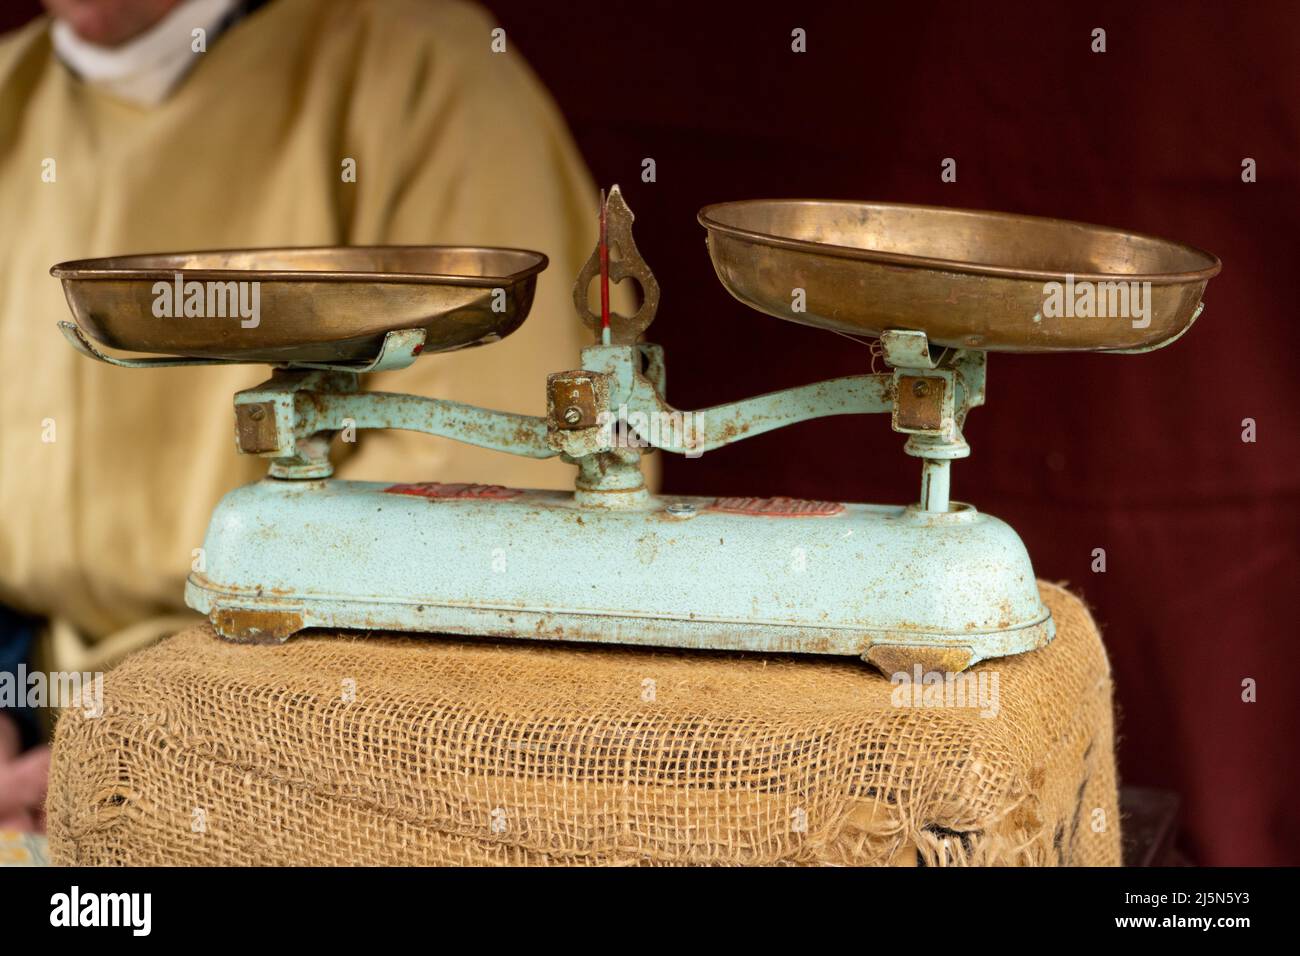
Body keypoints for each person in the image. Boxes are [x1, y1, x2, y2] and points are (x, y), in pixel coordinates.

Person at [0, 0, 620, 830]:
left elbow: (486, 504)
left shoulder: (417, 68)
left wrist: (161, 731)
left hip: (312, 737)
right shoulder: (14, 88)